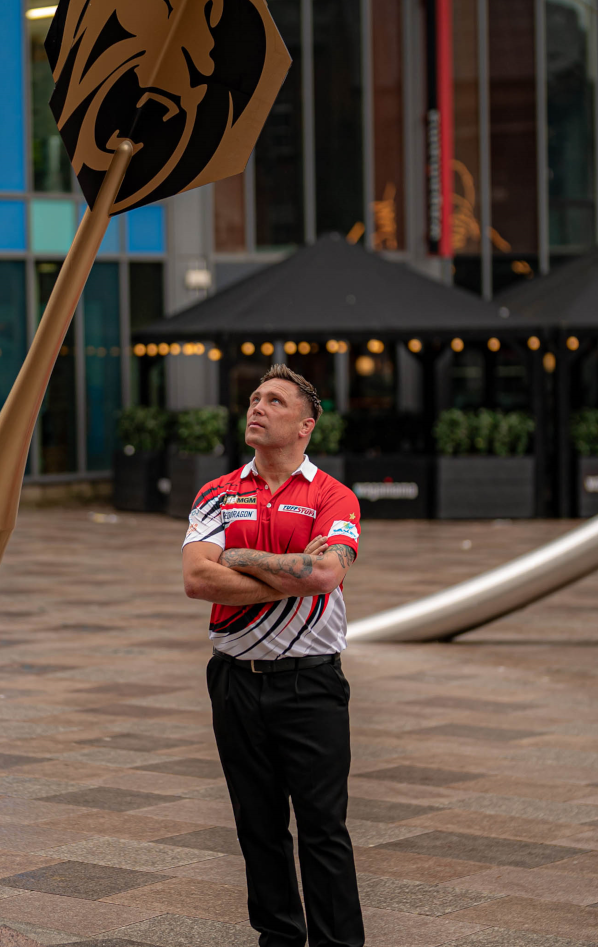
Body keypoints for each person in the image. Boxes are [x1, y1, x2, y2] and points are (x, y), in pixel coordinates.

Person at [181, 364, 364, 947]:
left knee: (322, 830)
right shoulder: (217, 493)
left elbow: (329, 570)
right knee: (257, 826)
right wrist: (292, 574)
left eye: (275, 401)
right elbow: (195, 579)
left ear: (307, 425)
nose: (257, 407)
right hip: (235, 682)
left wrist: (235, 558)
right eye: (255, 397)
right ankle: (279, 941)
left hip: (311, 685)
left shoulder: (333, 496)